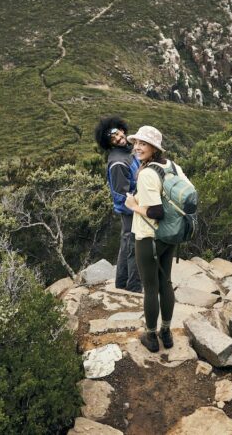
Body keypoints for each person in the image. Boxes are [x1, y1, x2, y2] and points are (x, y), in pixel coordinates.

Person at [124, 125, 193, 353]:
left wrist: (134, 206)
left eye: (143, 144)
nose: (137, 148)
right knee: (166, 282)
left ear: (154, 148)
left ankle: (152, 336)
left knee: (151, 287)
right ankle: (167, 332)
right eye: (136, 143)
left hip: (149, 236)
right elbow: (189, 193)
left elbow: (156, 211)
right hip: (170, 234)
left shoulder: (146, 174)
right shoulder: (172, 166)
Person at [93, 116, 141, 293]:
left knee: (127, 242)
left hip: (134, 207)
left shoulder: (129, 151)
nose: (119, 139)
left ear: (122, 130)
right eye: (114, 139)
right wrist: (140, 203)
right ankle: (134, 287)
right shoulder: (118, 162)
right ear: (110, 143)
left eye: (119, 135)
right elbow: (123, 194)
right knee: (134, 245)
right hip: (131, 209)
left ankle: (121, 283)